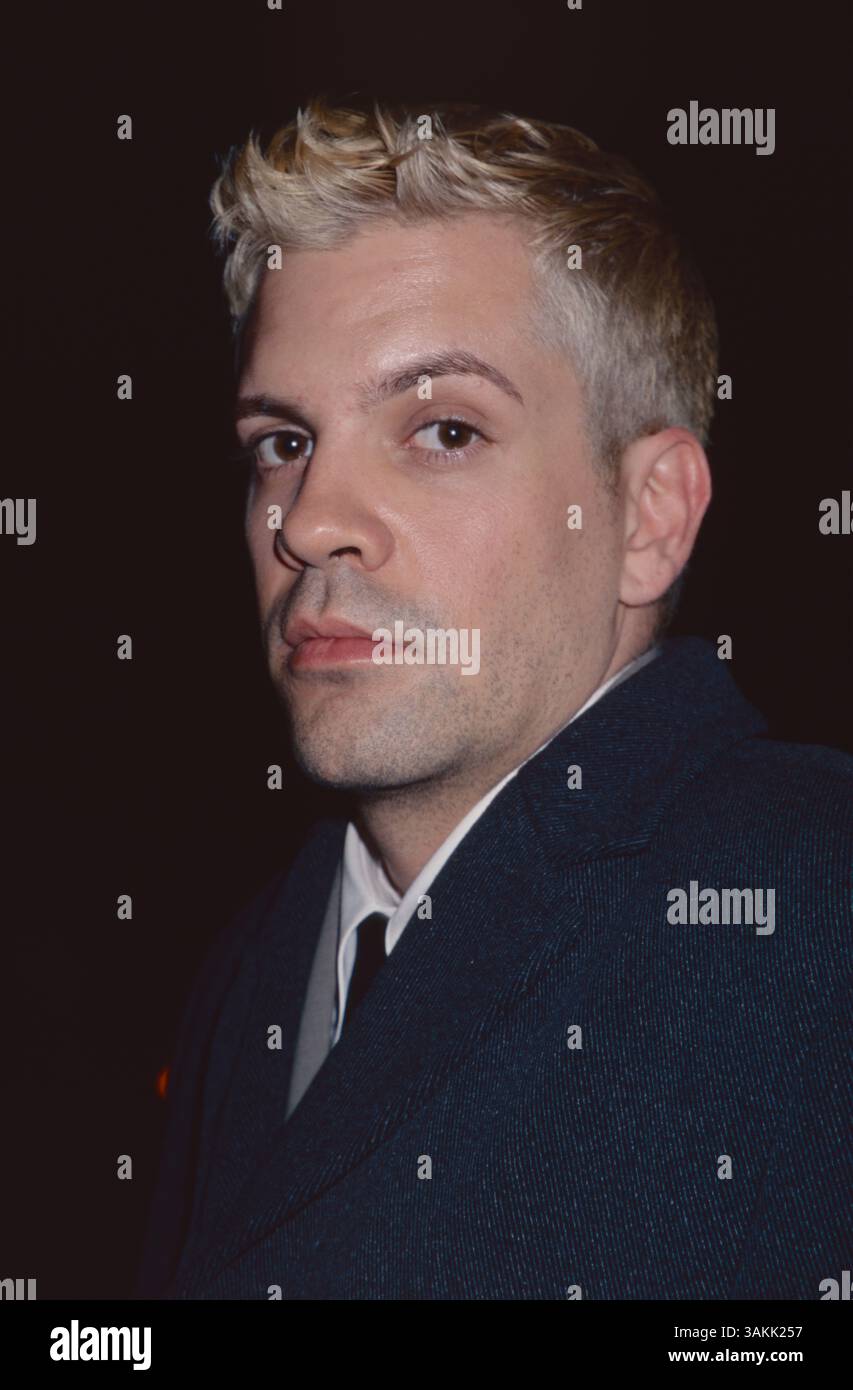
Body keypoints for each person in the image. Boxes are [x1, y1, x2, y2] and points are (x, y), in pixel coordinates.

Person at [136, 99, 851, 1300]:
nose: (308, 518)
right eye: (281, 441)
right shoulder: (251, 967)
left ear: (651, 518)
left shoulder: (815, 912)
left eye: (444, 428)